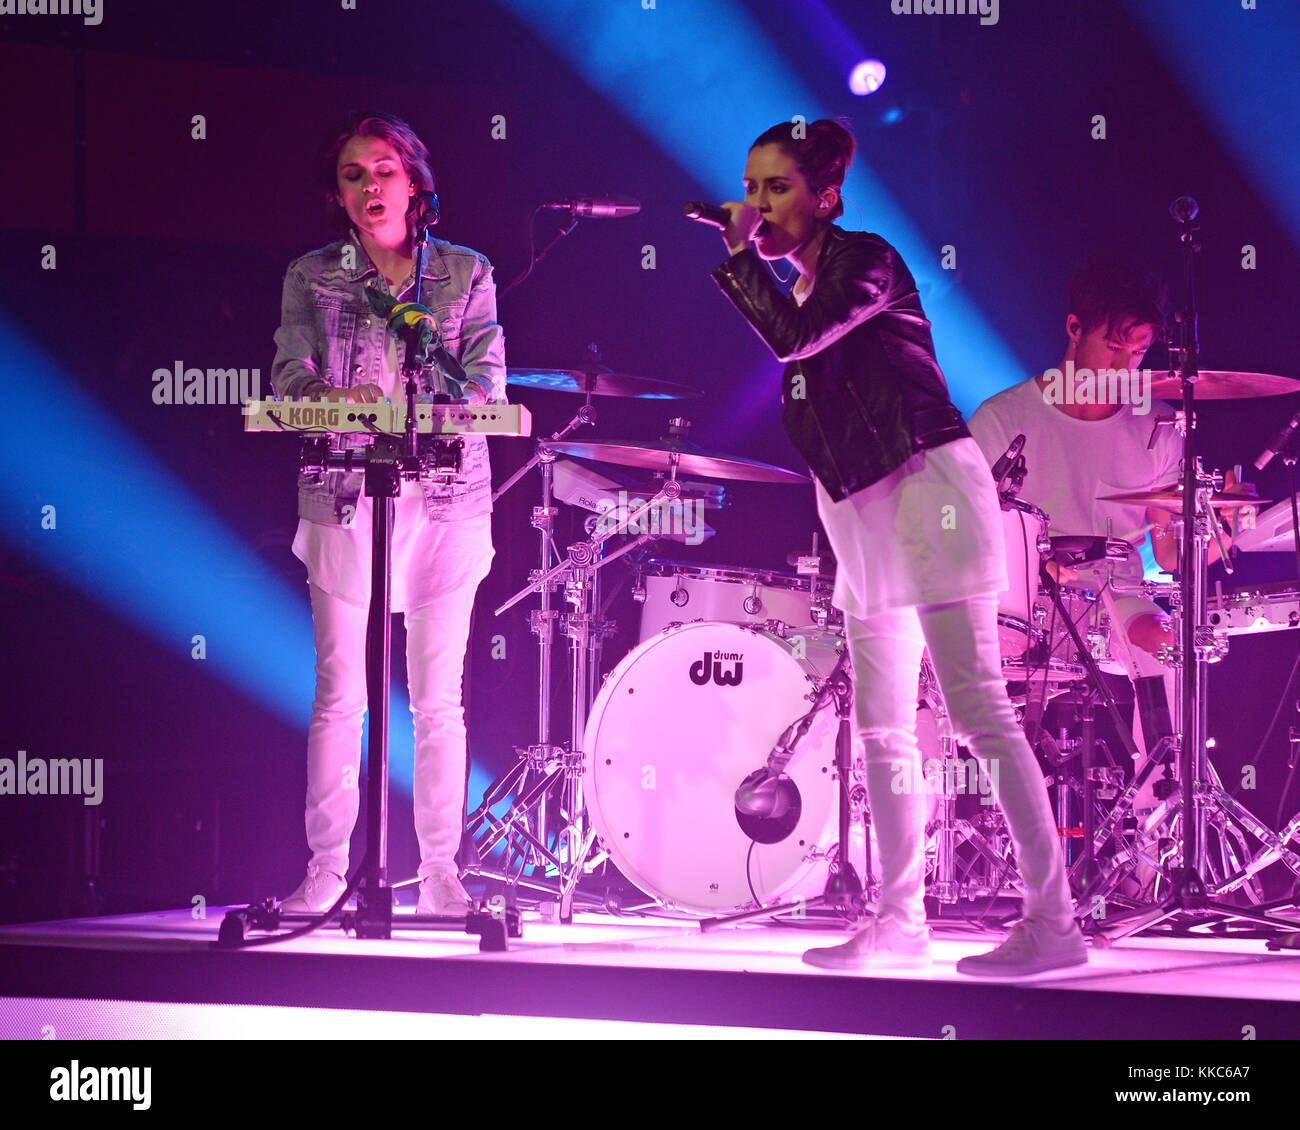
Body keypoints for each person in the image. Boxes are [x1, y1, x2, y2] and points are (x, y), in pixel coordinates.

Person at [711, 118, 1086, 976]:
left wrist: (740, 258)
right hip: (862, 508)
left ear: (825, 196)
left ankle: (1054, 921)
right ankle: (897, 918)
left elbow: (792, 342)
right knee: (882, 730)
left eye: (777, 187)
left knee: (979, 711)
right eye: (752, 186)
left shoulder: (866, 261)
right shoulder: (803, 290)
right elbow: (799, 347)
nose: (760, 204)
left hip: (925, 488)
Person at [270, 110, 505, 915]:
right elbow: (288, 380)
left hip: (444, 500)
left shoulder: (466, 273)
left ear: (414, 183)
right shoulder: (313, 274)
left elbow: (487, 387)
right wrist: (329, 397)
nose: (369, 186)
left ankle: (442, 873)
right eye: (353, 175)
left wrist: (432, 396)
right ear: (337, 195)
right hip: (342, 490)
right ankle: (328, 869)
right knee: (340, 695)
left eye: (383, 171)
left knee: (438, 699)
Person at [967, 259, 1235, 801]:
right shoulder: (1001, 418)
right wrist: (1039, 565)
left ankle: (1162, 830)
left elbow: (1171, 552)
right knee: (942, 665)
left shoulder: (1157, 423)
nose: (1126, 363)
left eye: (1138, 351)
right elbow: (968, 540)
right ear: (1073, 329)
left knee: (1175, 652)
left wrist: (1224, 532)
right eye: (1114, 347)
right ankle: (959, 828)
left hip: (1120, 590)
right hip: (1024, 599)